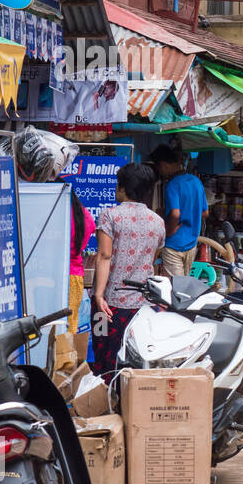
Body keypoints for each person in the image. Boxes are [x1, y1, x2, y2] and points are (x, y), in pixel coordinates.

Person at [92, 163, 164, 381]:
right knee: (136, 358)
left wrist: (98, 295)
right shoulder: (158, 222)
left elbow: (104, 256)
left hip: (109, 305)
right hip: (145, 305)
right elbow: (150, 259)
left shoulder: (110, 216)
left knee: (103, 354)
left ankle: (105, 397)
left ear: (122, 189)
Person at [151, 143, 206, 276]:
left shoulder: (173, 185)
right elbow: (205, 212)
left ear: (163, 165)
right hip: (192, 243)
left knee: (177, 287)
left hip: (174, 244)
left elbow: (175, 214)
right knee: (184, 284)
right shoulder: (196, 181)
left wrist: (168, 232)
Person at [67, 191, 96, 334]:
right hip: (74, 276)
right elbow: (91, 227)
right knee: (70, 324)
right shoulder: (82, 213)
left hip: (49, 274)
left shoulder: (56, 211)